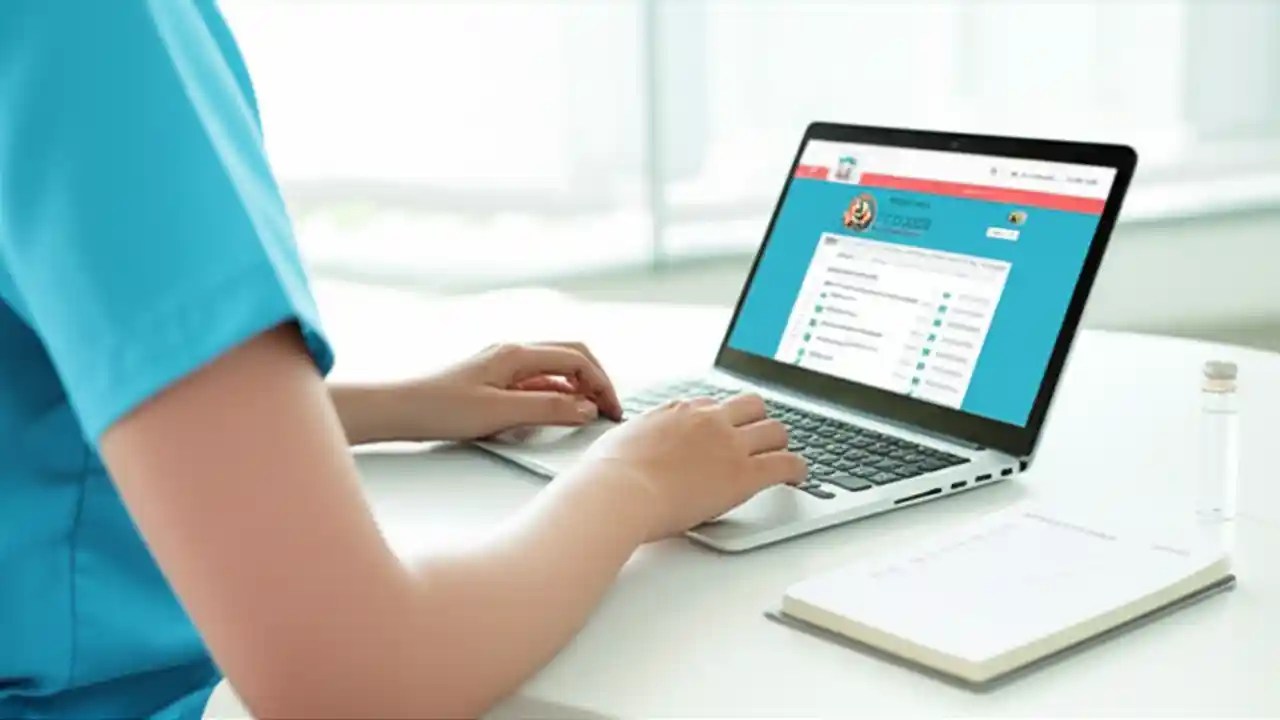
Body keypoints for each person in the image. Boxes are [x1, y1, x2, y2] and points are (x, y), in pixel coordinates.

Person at [0, 3, 805, 718]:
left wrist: (407, 404)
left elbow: (44, 424)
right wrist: (637, 479)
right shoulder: (92, 28)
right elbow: (353, 677)